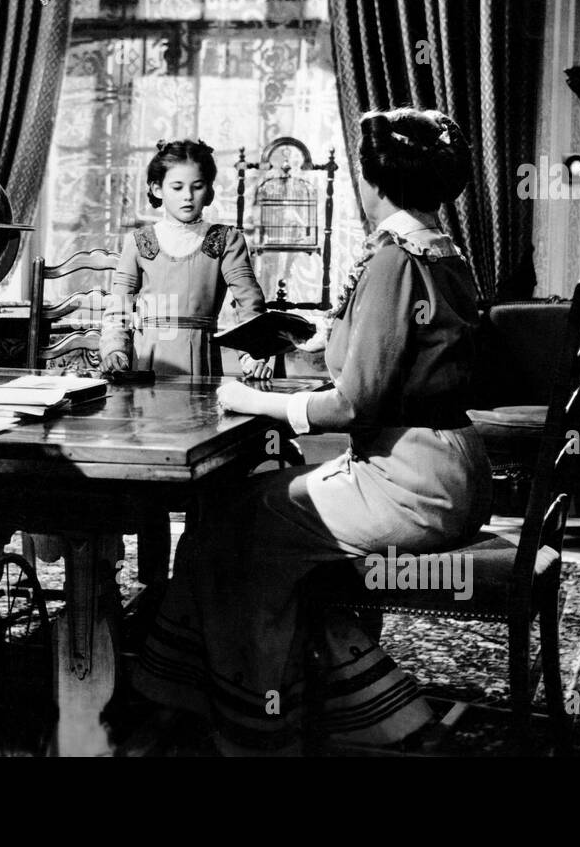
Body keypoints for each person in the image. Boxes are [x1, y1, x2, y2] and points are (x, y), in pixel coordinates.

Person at [130, 108, 493, 755]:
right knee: (234, 508)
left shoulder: (392, 260)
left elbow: (355, 405)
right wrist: (334, 335)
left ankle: (255, 720)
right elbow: (412, 353)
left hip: (408, 482)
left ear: (376, 179)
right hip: (450, 466)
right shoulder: (440, 249)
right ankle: (351, 698)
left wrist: (253, 400)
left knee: (240, 529)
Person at [100, 139, 273, 380]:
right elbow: (119, 306)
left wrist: (253, 355)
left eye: (197, 186)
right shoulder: (139, 241)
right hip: (147, 361)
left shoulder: (226, 239)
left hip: (202, 361)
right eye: (177, 187)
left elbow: (249, 303)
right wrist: (115, 350)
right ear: (157, 189)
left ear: (210, 191)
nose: (188, 196)